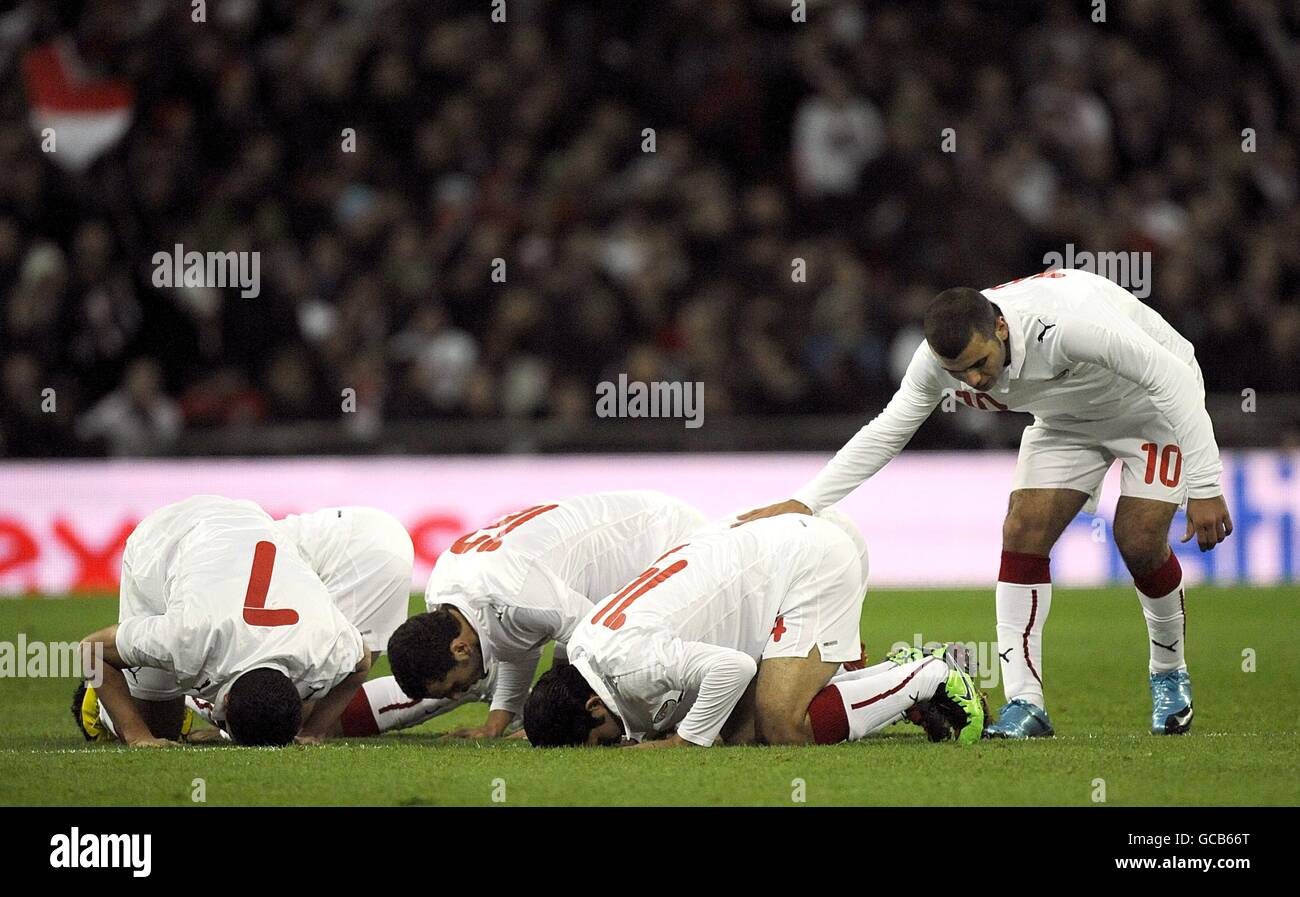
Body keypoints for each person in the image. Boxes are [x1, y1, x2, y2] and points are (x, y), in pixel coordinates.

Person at [739, 268, 1232, 737]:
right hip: (1065, 421)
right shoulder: (936, 363)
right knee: (1022, 530)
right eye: (961, 372)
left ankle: (1168, 674)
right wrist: (806, 502)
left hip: (1148, 406)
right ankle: (1026, 703)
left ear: (1001, 327)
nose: (973, 380)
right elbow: (889, 430)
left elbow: (1170, 377)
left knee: (1139, 539)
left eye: (980, 364)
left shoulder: (1065, 325)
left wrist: (1206, 484)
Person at [523, 511, 985, 748]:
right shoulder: (587, 648)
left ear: (591, 704)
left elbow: (734, 667)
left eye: (597, 742)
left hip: (807, 563)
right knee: (743, 731)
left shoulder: (633, 667)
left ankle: (933, 675)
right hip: (765, 551)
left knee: (783, 725)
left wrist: (686, 741)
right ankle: (889, 677)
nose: (614, 746)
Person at [339, 490, 708, 739]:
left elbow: (599, 637)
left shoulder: (517, 597)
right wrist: (497, 724)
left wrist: (550, 716)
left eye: (452, 687)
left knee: (627, 660)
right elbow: (517, 640)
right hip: (619, 538)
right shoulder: (448, 593)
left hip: (666, 538)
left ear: (460, 649)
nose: (453, 698)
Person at [74, 495, 370, 747]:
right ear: (225, 701)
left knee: (165, 720)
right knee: (158, 730)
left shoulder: (324, 645)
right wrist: (138, 737)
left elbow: (362, 661)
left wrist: (314, 731)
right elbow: (91, 649)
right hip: (164, 537)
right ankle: (99, 705)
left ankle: (173, 697)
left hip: (251, 521)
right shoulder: (184, 636)